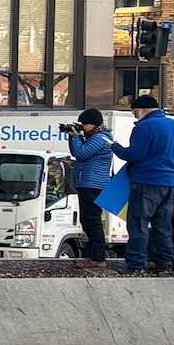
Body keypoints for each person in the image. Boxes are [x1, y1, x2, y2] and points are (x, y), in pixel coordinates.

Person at [112, 90, 174, 274]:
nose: (134, 115)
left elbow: (134, 155)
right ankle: (164, 263)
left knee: (138, 224)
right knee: (163, 226)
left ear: (144, 109)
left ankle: (136, 265)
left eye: (135, 112)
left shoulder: (144, 127)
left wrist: (114, 147)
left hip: (145, 182)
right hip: (170, 183)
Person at [66, 109, 115, 264]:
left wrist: (76, 137)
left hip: (93, 184)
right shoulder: (94, 137)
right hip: (88, 183)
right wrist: (73, 137)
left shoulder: (100, 138)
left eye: (85, 124)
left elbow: (81, 154)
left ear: (94, 124)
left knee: (92, 221)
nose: (82, 127)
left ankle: (98, 257)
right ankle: (93, 256)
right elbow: (77, 153)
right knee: (87, 220)